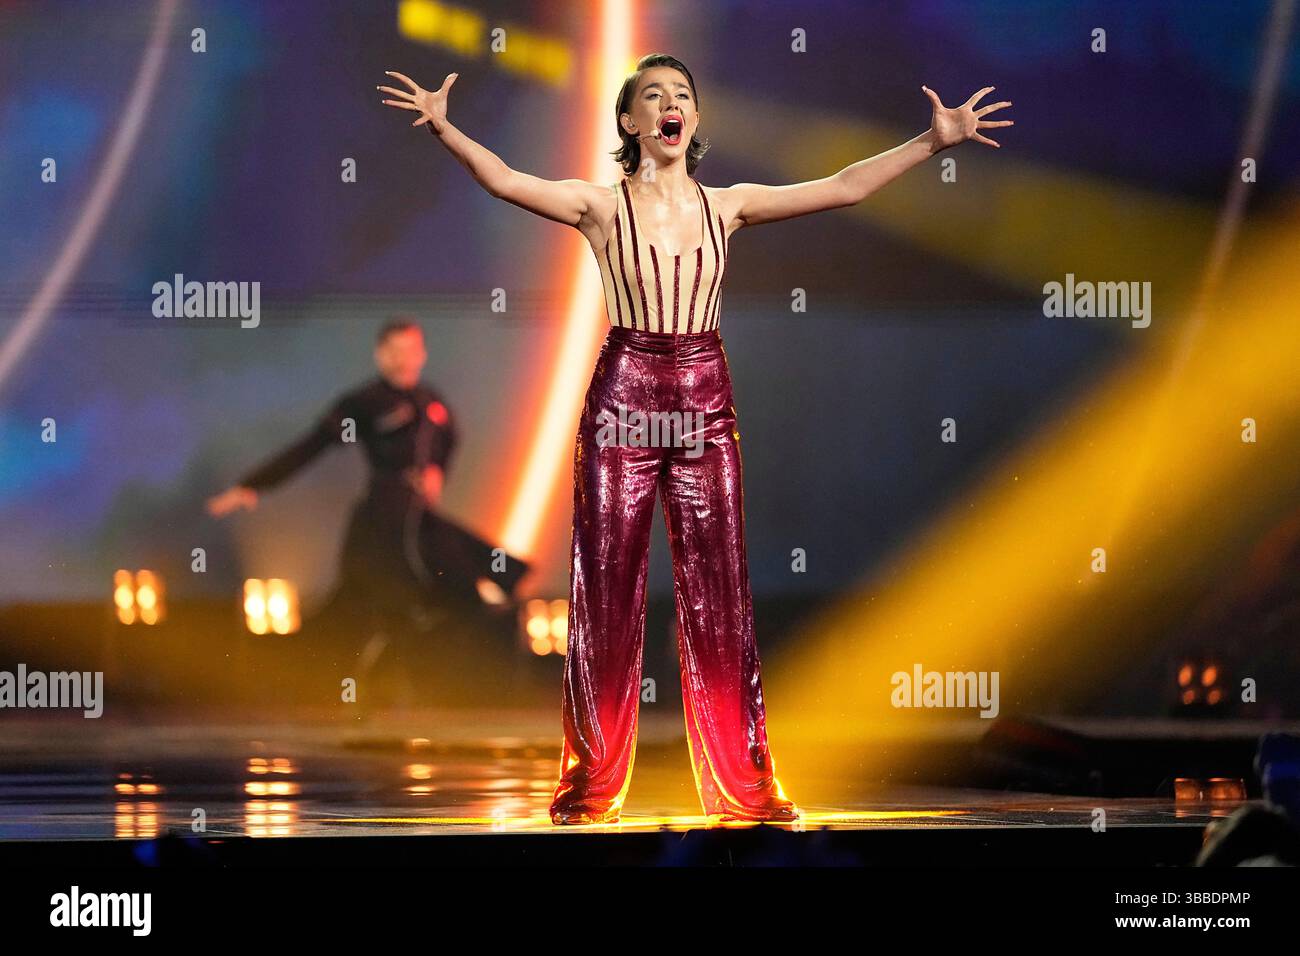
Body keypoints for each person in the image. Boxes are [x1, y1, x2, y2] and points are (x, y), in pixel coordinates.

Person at [378, 54, 1012, 824]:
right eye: (654, 95)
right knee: (605, 590)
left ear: (694, 120)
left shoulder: (730, 205)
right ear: (630, 122)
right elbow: (507, 180)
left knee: (720, 596)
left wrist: (931, 143)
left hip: (706, 395)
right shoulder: (600, 206)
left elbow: (843, 187)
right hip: (626, 396)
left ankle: (745, 785)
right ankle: (590, 783)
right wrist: (447, 129)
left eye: (683, 95)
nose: (671, 104)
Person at [207, 320, 530, 634]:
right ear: (381, 355)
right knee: (378, 600)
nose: (404, 360)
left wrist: (436, 472)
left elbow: (449, 439)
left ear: (422, 354)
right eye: (395, 351)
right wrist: (252, 486)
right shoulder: (364, 403)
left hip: (422, 516)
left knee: (486, 570)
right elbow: (312, 445)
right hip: (384, 516)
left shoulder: (431, 402)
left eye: (411, 351)